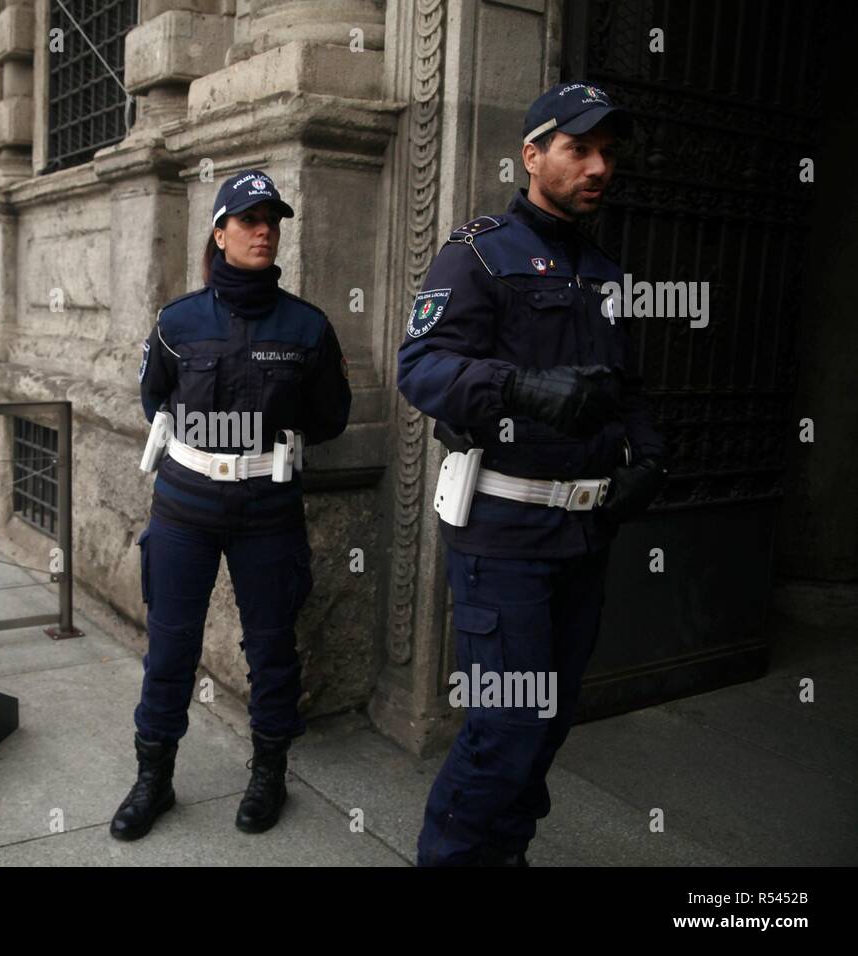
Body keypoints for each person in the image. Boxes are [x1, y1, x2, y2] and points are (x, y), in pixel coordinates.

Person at [397, 82, 667, 866]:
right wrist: (516, 387)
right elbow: (421, 368)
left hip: (583, 533)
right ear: (532, 154)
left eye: (608, 154)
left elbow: (629, 390)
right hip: (504, 534)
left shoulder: (609, 275)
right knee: (505, 725)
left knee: (548, 722)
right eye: (579, 149)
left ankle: (503, 855)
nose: (597, 168)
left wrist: (649, 457)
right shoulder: (478, 252)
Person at [110, 170, 352, 841]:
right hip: (185, 503)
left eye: (272, 220)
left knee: (273, 647)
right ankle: (153, 778)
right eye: (248, 220)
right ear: (219, 233)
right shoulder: (177, 320)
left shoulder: (307, 327)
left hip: (267, 505)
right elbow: (154, 399)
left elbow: (330, 415)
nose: (263, 230)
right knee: (170, 646)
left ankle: (268, 773)